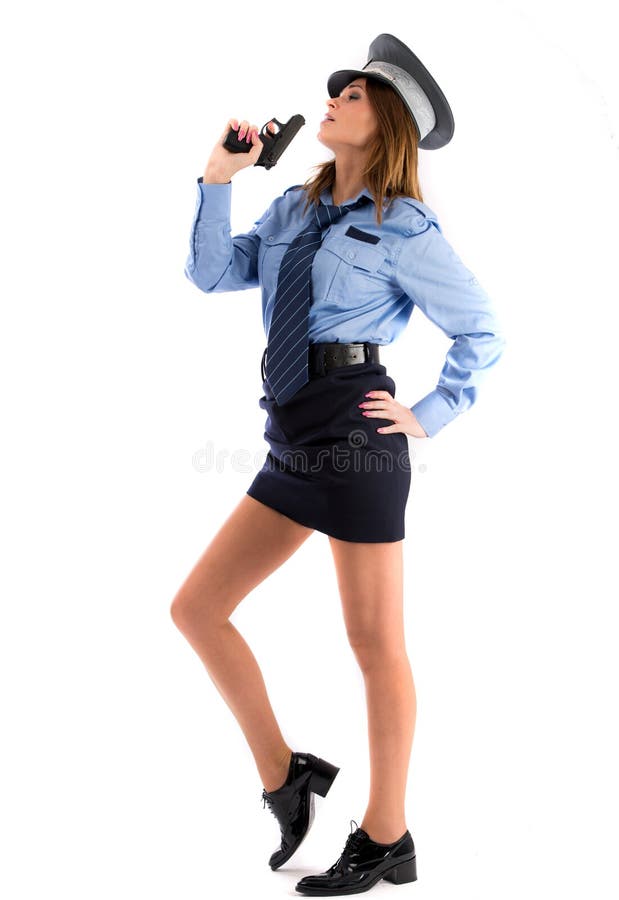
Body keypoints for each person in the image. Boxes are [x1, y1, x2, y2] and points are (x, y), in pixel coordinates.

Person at [172, 33, 506, 895]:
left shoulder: (405, 227)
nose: (331, 98)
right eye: (335, 89)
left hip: (358, 439)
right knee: (198, 608)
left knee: (371, 641)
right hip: (290, 437)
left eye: (350, 94)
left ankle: (388, 835)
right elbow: (212, 275)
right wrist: (216, 180)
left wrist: (427, 415)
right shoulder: (289, 207)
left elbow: (483, 332)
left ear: (382, 119)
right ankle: (288, 780)